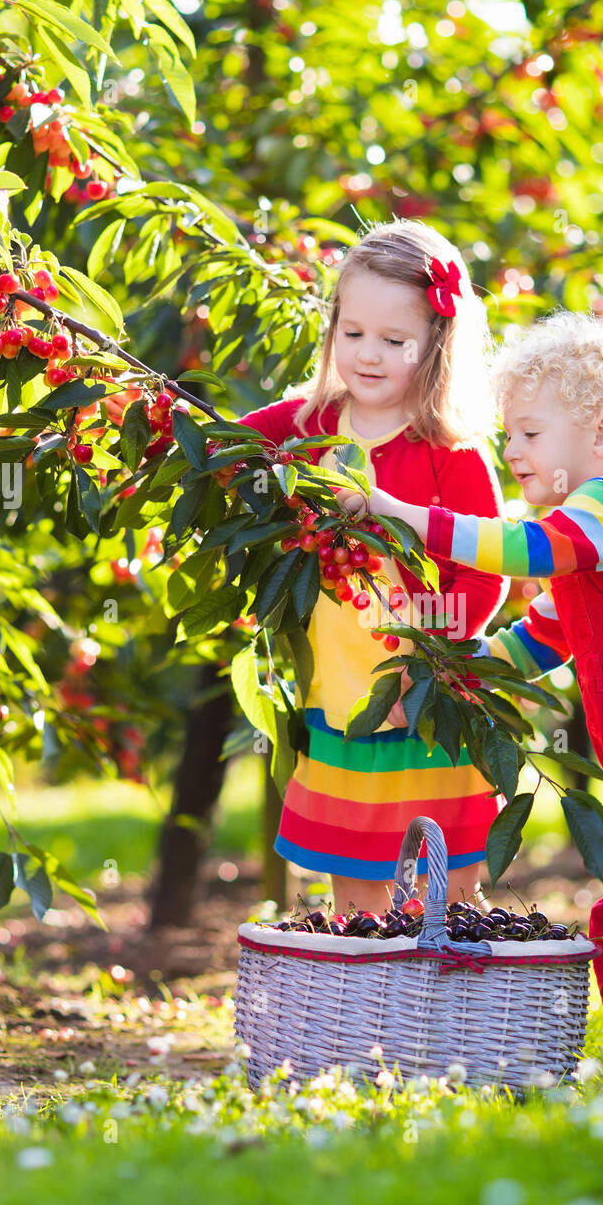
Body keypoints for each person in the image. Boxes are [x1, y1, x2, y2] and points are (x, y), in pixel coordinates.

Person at [334, 310, 603, 1073]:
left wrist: (403, 514)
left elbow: (526, 550)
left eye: (531, 435)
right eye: (510, 434)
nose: (511, 451)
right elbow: (538, 640)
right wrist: (455, 676)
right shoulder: (591, 548)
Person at [237, 220, 508, 916]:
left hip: (422, 700)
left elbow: (485, 573)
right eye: (352, 333)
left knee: (441, 884)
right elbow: (220, 445)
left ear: (436, 348)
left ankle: (446, 1012)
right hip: (340, 691)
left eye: (394, 341)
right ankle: (369, 1018)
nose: (368, 354)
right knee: (354, 878)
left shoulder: (450, 452)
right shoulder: (309, 422)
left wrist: (427, 665)